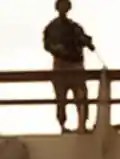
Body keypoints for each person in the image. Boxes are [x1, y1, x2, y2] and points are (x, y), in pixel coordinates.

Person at [43, 0, 95, 133]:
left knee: (81, 96)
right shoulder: (52, 27)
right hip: (61, 65)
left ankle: (82, 125)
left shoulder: (74, 27)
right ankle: (63, 126)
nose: (63, 8)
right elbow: (47, 45)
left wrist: (86, 42)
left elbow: (87, 41)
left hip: (75, 65)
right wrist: (57, 49)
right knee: (61, 98)